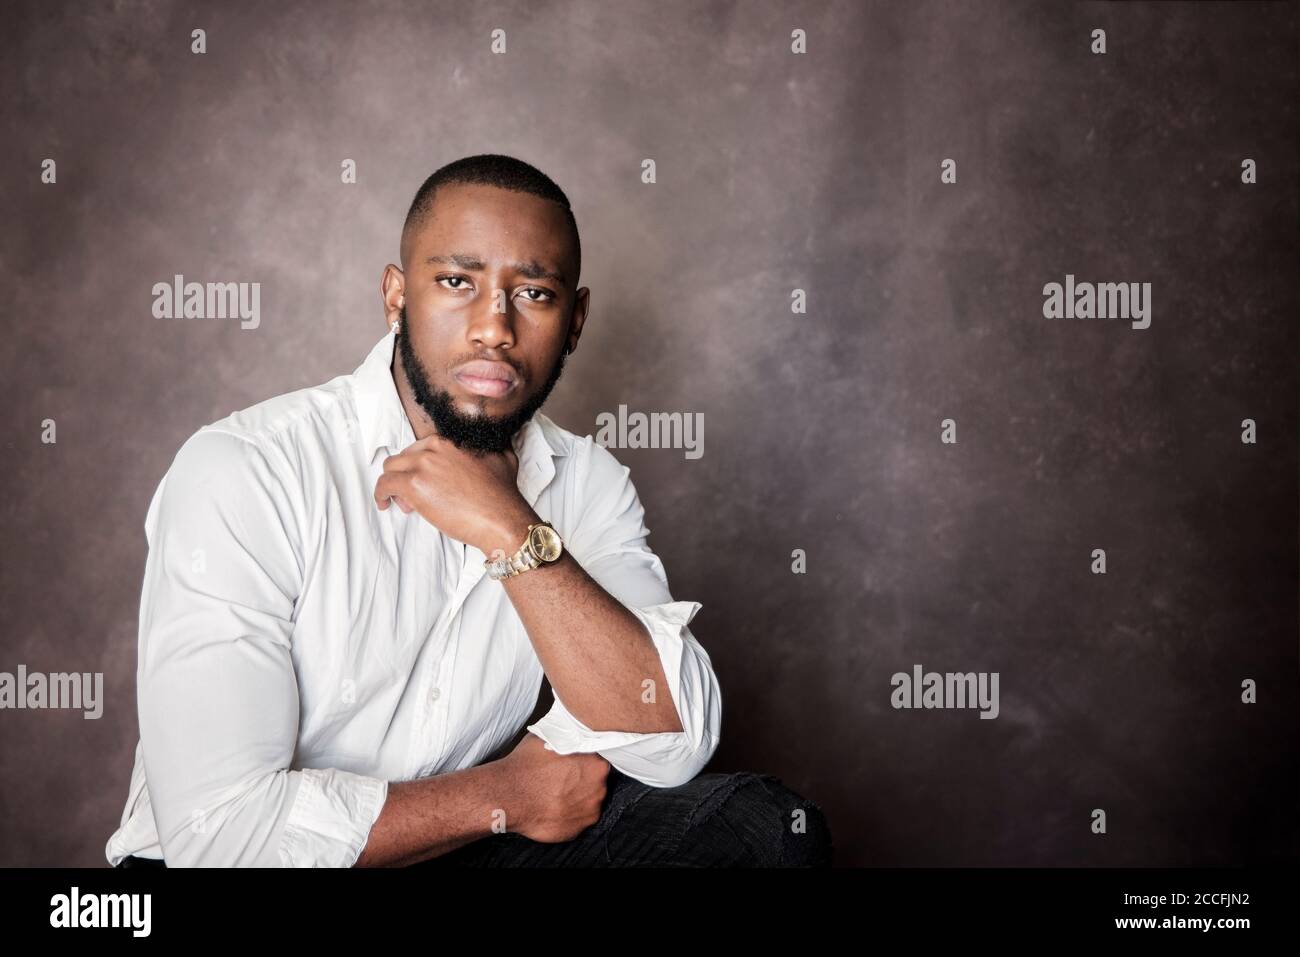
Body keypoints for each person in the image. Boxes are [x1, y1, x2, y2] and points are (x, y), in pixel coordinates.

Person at [107, 154, 832, 868]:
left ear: (576, 321)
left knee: (758, 832)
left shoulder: (587, 482)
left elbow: (673, 735)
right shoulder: (248, 469)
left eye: (536, 294)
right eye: (457, 281)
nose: (495, 328)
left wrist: (509, 527)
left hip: (449, 852)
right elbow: (221, 836)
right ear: (396, 296)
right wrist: (508, 793)